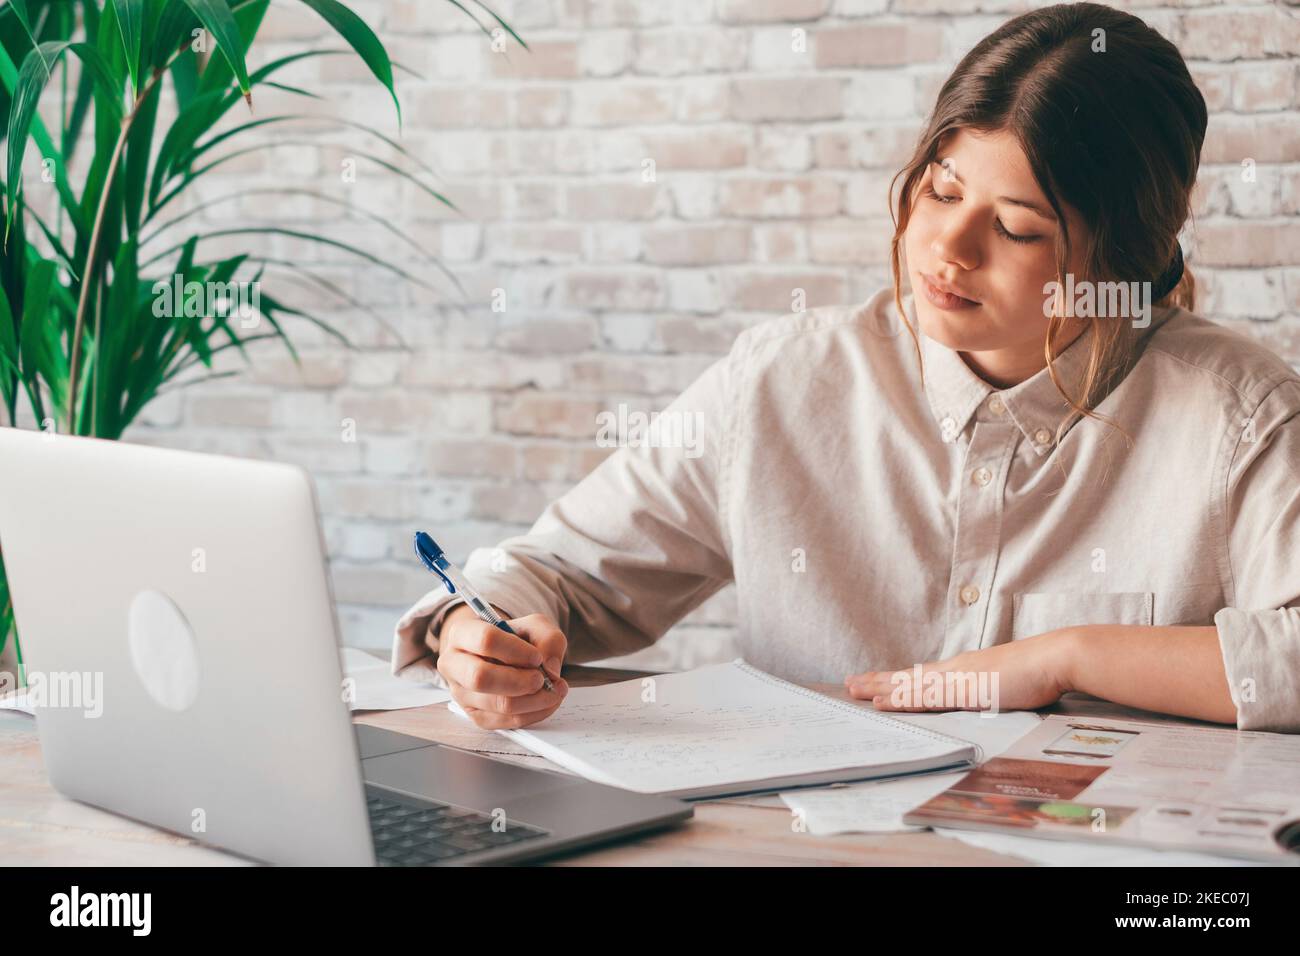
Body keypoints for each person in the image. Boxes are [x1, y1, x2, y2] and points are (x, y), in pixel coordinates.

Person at [393, 3, 1300, 733]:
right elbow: (556, 575)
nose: (945, 246)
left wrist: (1067, 656)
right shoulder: (787, 381)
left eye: (1017, 228)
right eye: (941, 190)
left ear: (1121, 258)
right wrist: (479, 634)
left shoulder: (1239, 417)